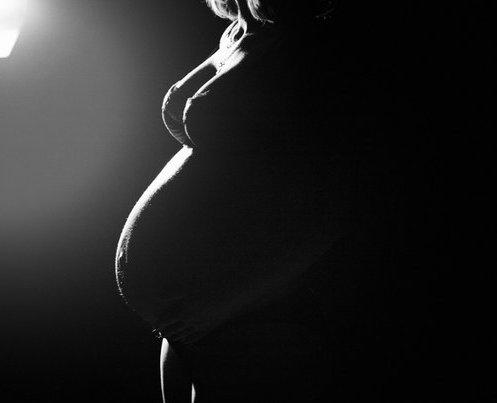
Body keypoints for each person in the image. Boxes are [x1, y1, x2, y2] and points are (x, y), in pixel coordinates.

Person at [115, 0, 432, 401]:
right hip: (192, 318)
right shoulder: (236, 33)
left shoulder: (307, 50)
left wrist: (221, 302)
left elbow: (336, 207)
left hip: (250, 314)